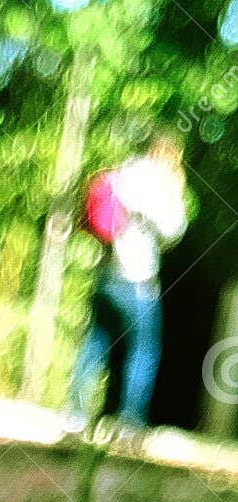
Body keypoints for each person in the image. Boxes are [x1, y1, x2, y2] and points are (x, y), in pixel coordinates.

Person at [67, 130, 189, 435]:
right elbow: (173, 229)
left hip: (106, 277)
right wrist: (174, 190)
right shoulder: (162, 184)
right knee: (143, 351)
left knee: (94, 346)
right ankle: (129, 422)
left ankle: (75, 415)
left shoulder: (124, 173)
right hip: (138, 282)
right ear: (170, 156)